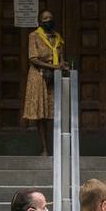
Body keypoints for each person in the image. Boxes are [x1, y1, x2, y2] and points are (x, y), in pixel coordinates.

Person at [23, 10, 68, 156]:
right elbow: (33, 59)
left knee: (55, 113)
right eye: (45, 19)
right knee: (42, 115)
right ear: (40, 22)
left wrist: (63, 65)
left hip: (54, 77)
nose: (48, 21)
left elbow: (61, 58)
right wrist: (54, 67)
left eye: (51, 18)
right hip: (39, 76)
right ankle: (45, 149)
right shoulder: (34, 36)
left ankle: (60, 149)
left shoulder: (57, 37)